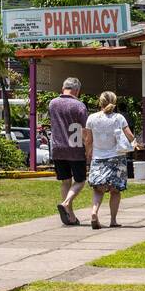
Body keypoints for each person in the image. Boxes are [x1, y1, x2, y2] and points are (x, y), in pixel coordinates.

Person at [84, 91, 136, 229]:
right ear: (114, 102)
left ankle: (94, 212)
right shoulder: (119, 118)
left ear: (99, 102)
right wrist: (136, 145)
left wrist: (88, 153)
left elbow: (88, 140)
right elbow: (129, 135)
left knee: (98, 189)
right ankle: (113, 220)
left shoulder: (91, 118)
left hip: (98, 157)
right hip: (116, 158)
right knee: (115, 190)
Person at [48, 77, 89, 225]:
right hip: (75, 148)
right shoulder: (79, 106)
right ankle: (66, 203)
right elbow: (85, 131)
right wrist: (89, 149)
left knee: (66, 181)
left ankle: (70, 216)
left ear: (63, 88)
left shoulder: (52, 104)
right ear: (77, 90)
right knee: (80, 180)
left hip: (57, 148)